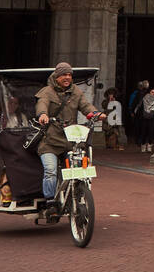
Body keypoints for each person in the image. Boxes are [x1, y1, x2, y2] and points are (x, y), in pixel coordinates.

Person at [35, 62, 106, 208]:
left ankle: (76, 195)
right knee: (50, 170)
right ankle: (50, 201)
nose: (67, 77)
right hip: (50, 142)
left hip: (70, 141)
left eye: (69, 75)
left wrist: (96, 114)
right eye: (63, 75)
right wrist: (43, 115)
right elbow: (42, 104)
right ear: (57, 76)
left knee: (79, 169)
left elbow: (86, 106)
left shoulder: (76, 92)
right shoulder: (47, 92)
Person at [135, 87, 154, 154]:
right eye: (152, 92)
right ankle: (143, 145)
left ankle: (149, 146)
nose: (153, 93)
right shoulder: (144, 98)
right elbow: (140, 106)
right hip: (144, 117)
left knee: (151, 131)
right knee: (144, 131)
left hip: (152, 117)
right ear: (149, 93)